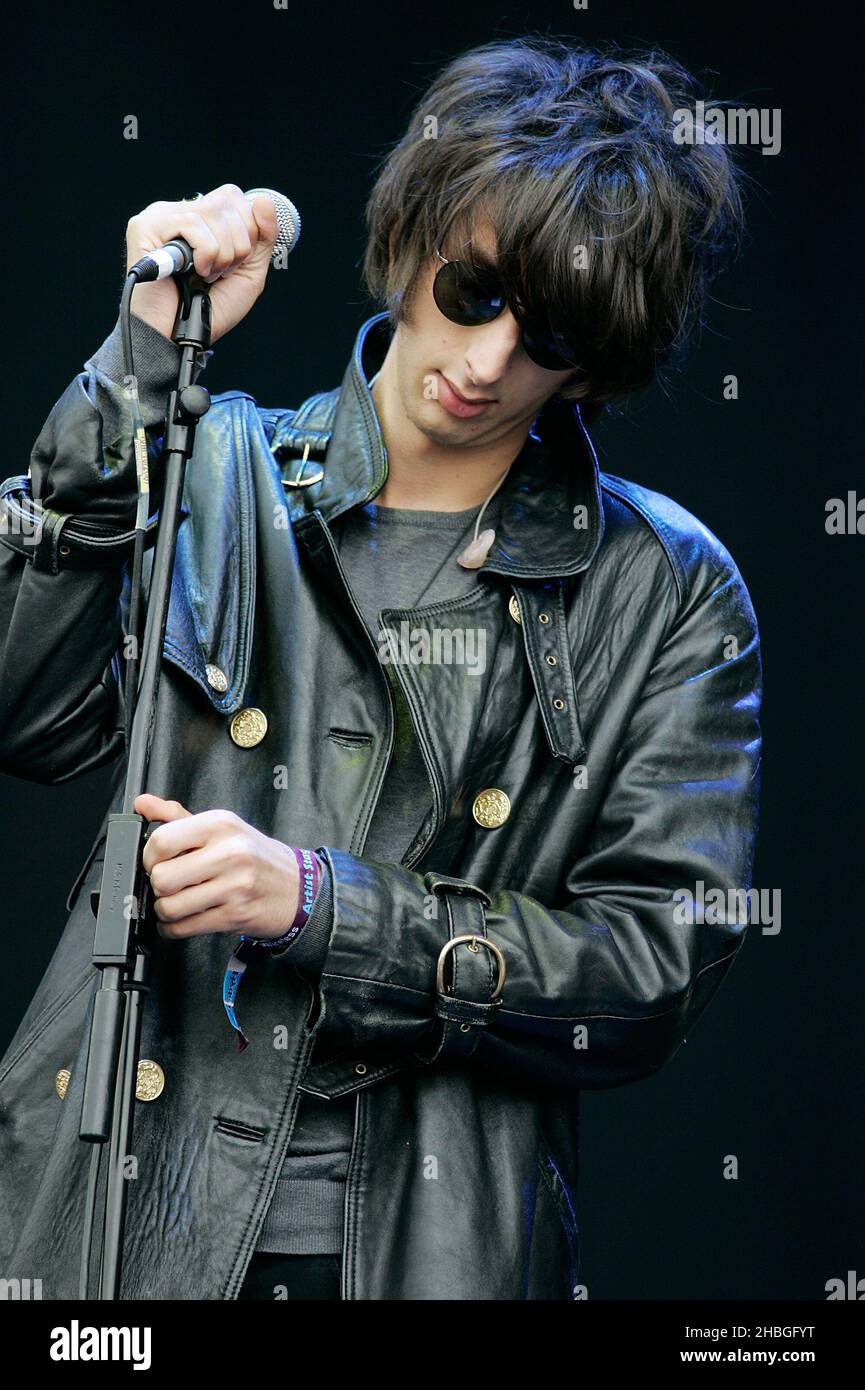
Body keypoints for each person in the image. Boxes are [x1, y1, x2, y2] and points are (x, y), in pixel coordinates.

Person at [0, 36, 761, 1301]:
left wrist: (322, 905)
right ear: (412, 242)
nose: (487, 362)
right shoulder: (209, 471)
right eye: (473, 293)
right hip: (122, 1230)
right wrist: (137, 367)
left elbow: (650, 972)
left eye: (551, 334)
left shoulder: (663, 585)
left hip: (429, 1253)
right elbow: (26, 712)